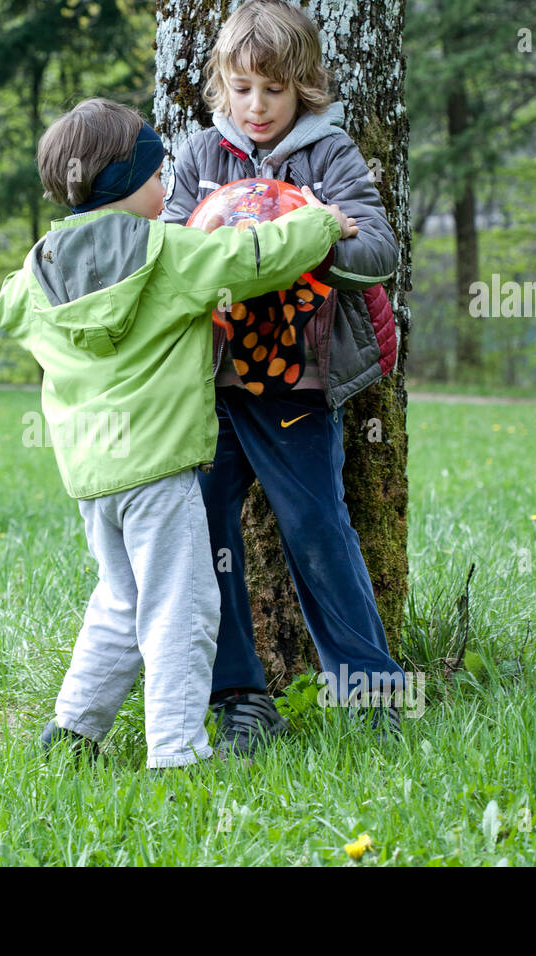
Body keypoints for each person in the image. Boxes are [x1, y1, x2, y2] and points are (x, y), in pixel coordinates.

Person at [0, 97, 355, 769]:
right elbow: (250, 258)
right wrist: (320, 223)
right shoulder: (167, 253)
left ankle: (73, 731)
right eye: (158, 174)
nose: (169, 187)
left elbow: (8, 309)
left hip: (93, 480)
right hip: (160, 473)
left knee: (120, 604)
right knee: (180, 614)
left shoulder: (37, 272)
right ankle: (179, 754)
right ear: (128, 182)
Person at [162, 0, 406, 754]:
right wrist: (209, 238)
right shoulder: (203, 156)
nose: (257, 107)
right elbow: (170, 247)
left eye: (273, 90)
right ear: (221, 88)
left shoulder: (329, 156)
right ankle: (239, 698)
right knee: (202, 532)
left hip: (298, 388)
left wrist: (318, 228)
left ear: (304, 87)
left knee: (317, 530)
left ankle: (370, 693)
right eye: (241, 89)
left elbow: (380, 253)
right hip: (209, 387)